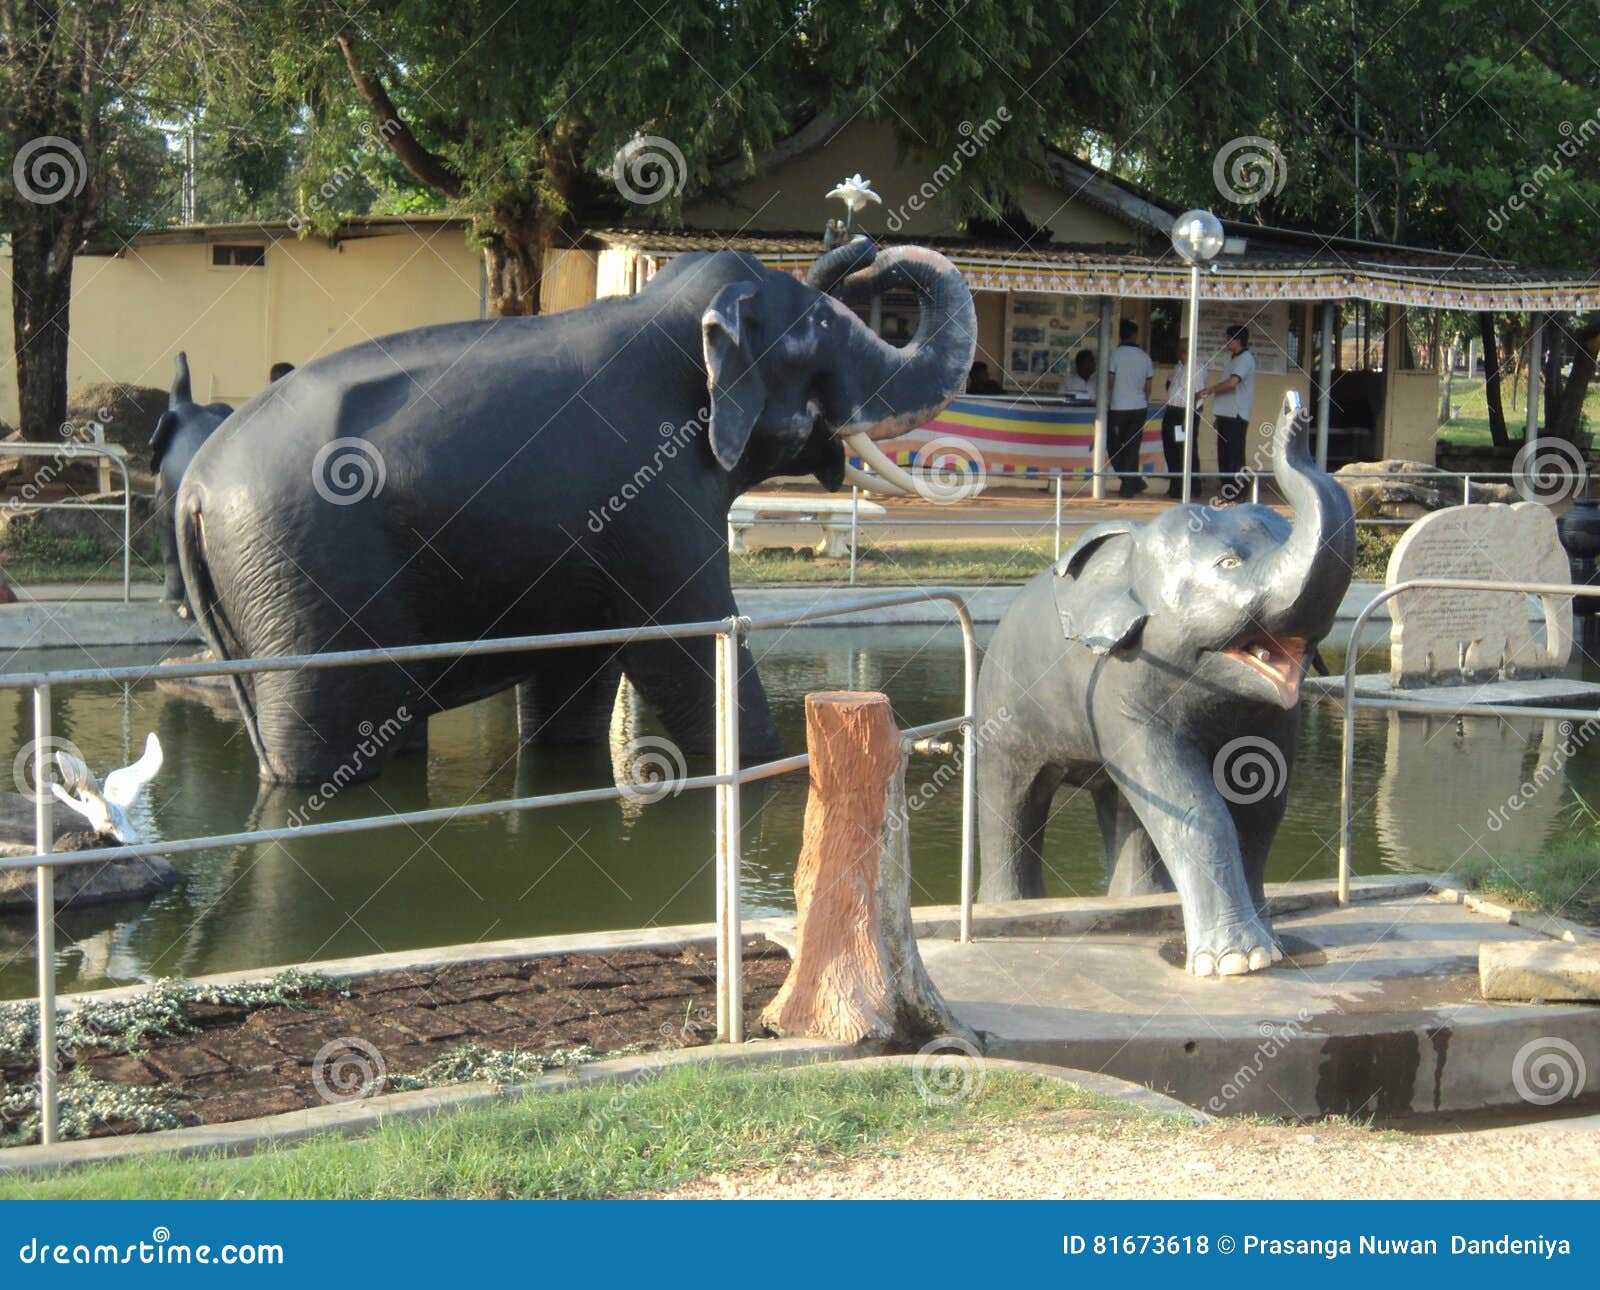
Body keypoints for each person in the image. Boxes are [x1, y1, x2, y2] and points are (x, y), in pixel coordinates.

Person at [1202, 325, 1256, 498]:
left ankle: (1240, 492)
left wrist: (1210, 390)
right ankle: (1228, 491)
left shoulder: (1245, 359)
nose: (1226, 342)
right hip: (1226, 415)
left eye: (1229, 339)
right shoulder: (1234, 358)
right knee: (1224, 456)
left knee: (1234, 456)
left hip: (1236, 415)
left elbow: (1232, 383)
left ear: (1237, 340)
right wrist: (1219, 415)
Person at [1107, 319, 1153, 497]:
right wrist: (1144, 403)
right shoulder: (1144, 357)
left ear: (1120, 335)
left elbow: (1110, 383)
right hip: (1139, 408)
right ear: (1135, 335)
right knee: (1133, 447)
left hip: (1118, 407)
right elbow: (1148, 387)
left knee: (1113, 446)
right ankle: (1131, 483)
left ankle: (1130, 484)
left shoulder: (1115, 355)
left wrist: (1111, 399)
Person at [1161, 341, 1205, 499]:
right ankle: (1175, 486)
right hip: (1173, 410)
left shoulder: (1196, 367)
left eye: (1178, 350)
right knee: (1171, 450)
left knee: (1185, 451)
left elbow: (1197, 394)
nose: (1176, 353)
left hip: (1186, 413)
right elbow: (1169, 382)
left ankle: (1192, 487)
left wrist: (1188, 418)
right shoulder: (1179, 366)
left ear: (1184, 351)